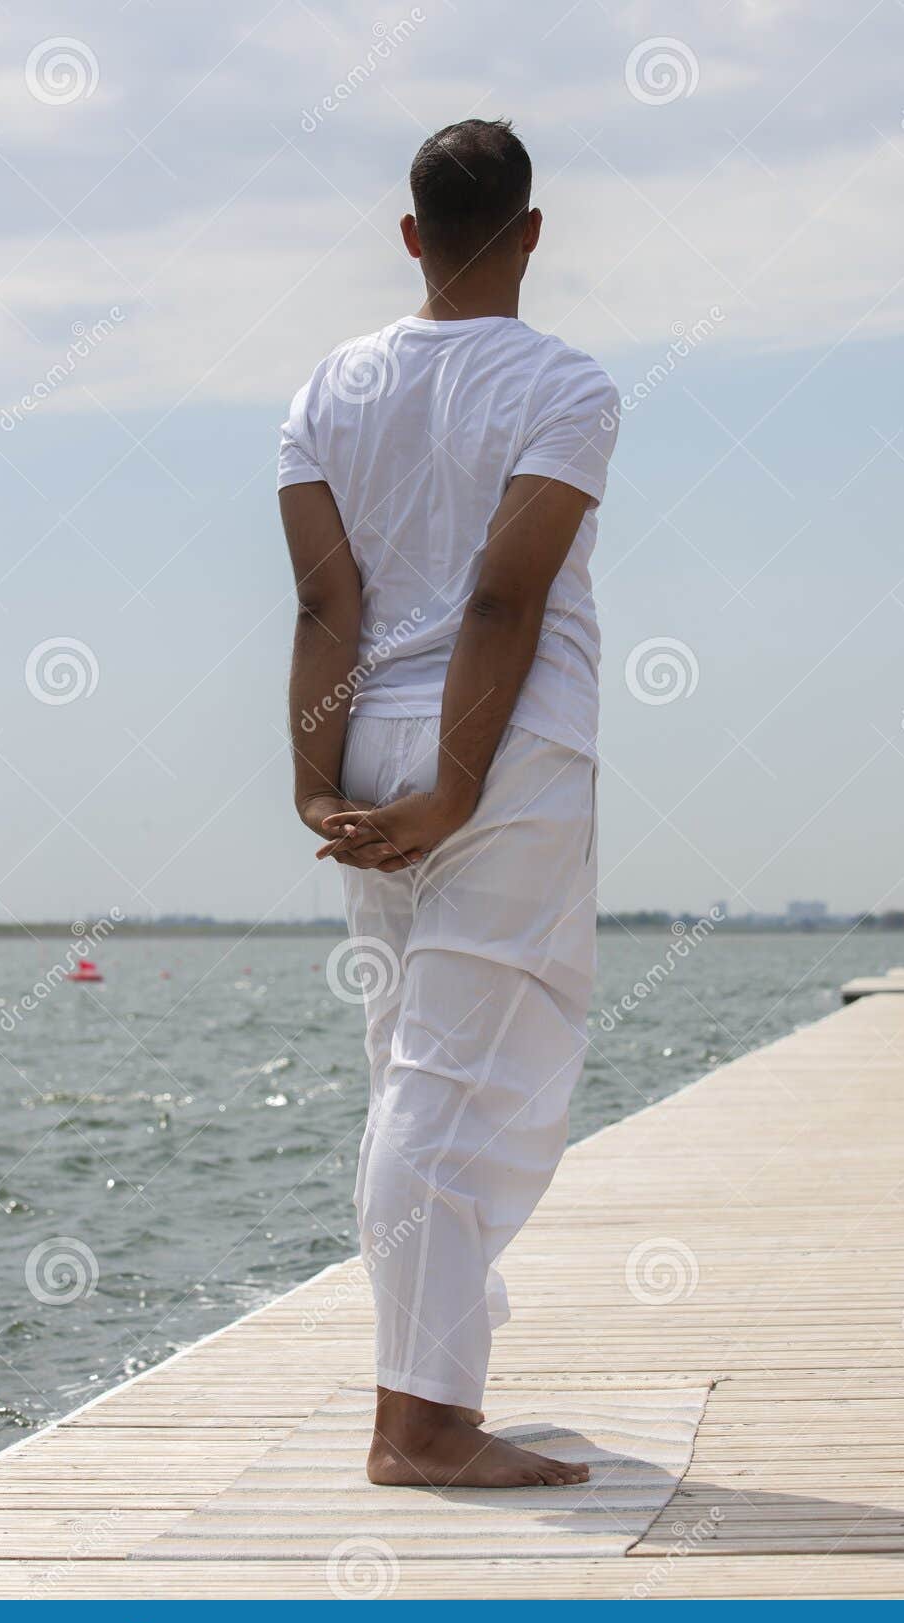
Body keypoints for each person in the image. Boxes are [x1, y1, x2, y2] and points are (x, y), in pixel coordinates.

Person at [279, 118, 619, 1487]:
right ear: (533, 231)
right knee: (464, 1078)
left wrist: (319, 779)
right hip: (501, 750)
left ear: (410, 236)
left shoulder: (329, 385)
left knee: (411, 1076)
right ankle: (419, 1424)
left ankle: (442, 1380)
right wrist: (461, 788)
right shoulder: (565, 384)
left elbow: (325, 600)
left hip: (364, 747)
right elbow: (502, 592)